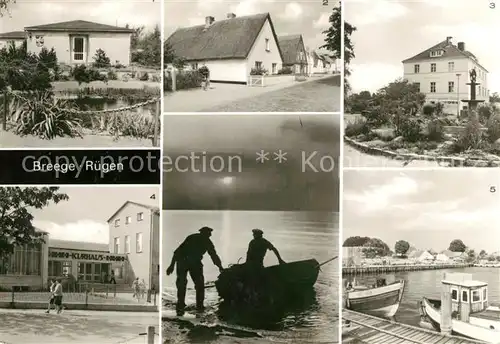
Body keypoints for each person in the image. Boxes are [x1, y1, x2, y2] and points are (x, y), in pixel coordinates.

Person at [166, 226, 224, 316]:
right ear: (204, 233)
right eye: (209, 233)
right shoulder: (196, 239)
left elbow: (213, 255)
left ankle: (192, 304)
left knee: (193, 283)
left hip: (189, 262)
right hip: (185, 261)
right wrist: (171, 265)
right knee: (190, 283)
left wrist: (171, 265)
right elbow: (177, 252)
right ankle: (189, 304)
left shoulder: (201, 240)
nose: (210, 235)